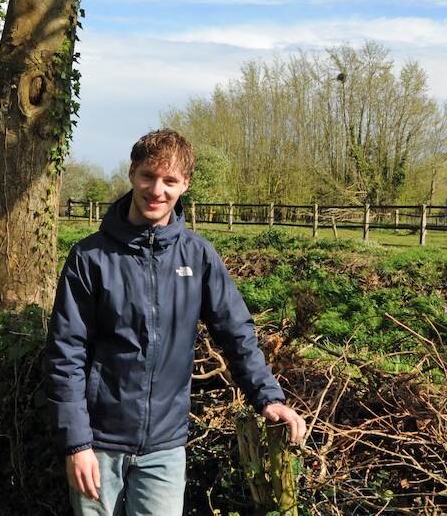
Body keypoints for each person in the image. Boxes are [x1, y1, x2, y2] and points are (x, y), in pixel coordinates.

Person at [44, 129, 307, 515]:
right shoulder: (90, 258)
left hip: (165, 448)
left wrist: (267, 397)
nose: (157, 190)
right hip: (98, 446)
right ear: (132, 173)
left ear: (185, 184)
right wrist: (77, 444)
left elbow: (236, 334)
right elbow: (65, 354)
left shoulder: (198, 256)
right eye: (149, 176)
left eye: (170, 180)